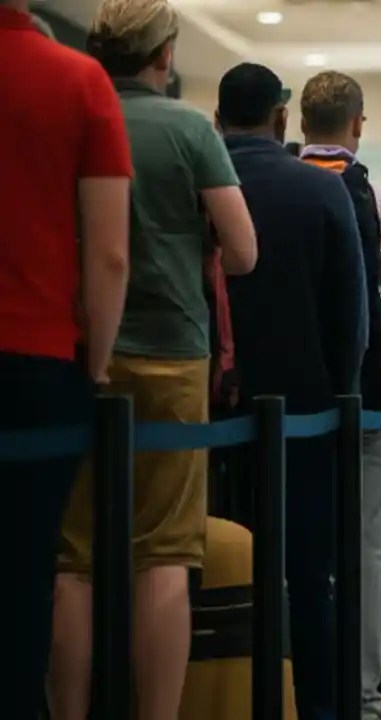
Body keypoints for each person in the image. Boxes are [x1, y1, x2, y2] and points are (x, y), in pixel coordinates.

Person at [48, 4, 259, 719]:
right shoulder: (187, 129)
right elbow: (244, 250)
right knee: (165, 553)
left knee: (70, 558)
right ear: (165, 55)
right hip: (173, 352)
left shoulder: (72, 111)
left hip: (76, 349)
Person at [213, 62, 369, 720]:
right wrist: (344, 396)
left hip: (208, 407)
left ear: (218, 119)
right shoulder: (320, 190)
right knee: (308, 571)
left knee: (214, 557)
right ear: (283, 119)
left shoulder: (193, 183)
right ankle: (319, 705)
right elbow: (352, 315)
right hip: (307, 407)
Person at [0, 2, 130, 714]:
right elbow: (109, 253)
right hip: (37, 362)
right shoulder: (78, 80)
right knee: (24, 574)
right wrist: (98, 361)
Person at [296, 69, 381, 720]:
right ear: (358, 125)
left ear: (298, 123)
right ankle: (363, 700)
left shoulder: (265, 190)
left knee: (295, 550)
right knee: (367, 553)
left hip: (287, 405)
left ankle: (296, 692)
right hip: (377, 397)